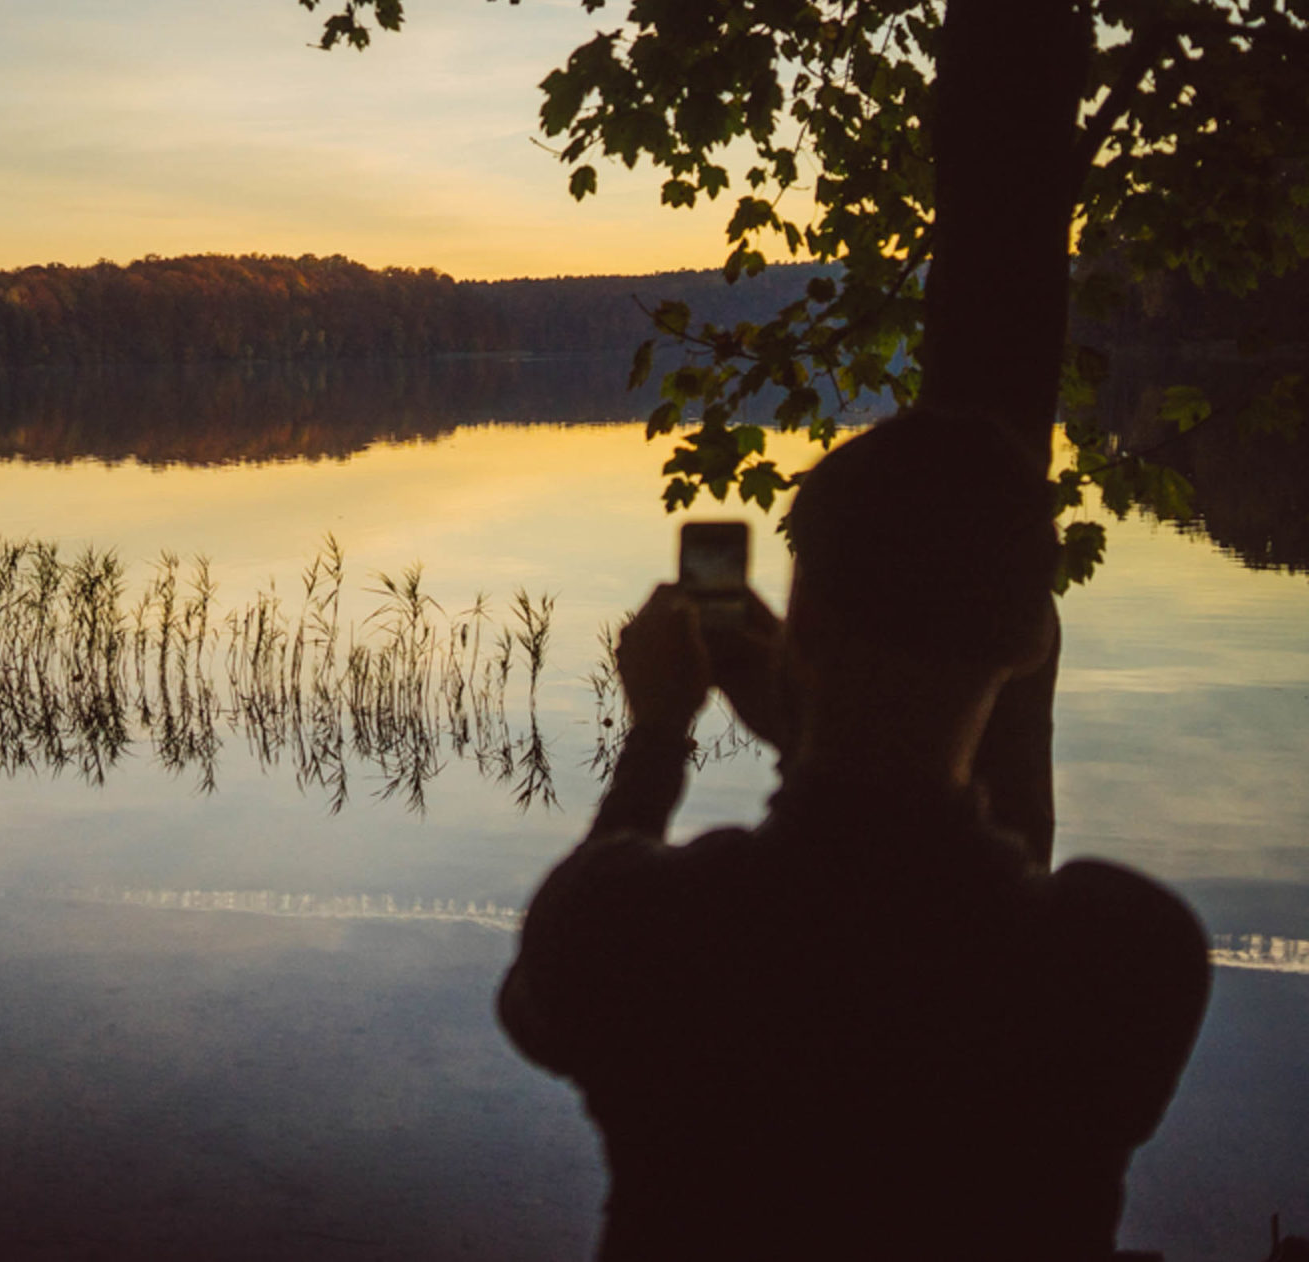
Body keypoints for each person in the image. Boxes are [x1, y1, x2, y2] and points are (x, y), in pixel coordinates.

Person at [497, 410, 1210, 1262]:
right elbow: (931, 895)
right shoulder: (1122, 955)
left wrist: (658, 736)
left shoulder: (641, 923)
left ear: (802, 624)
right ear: (1030, 641)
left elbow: (540, 1014)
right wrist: (811, 728)